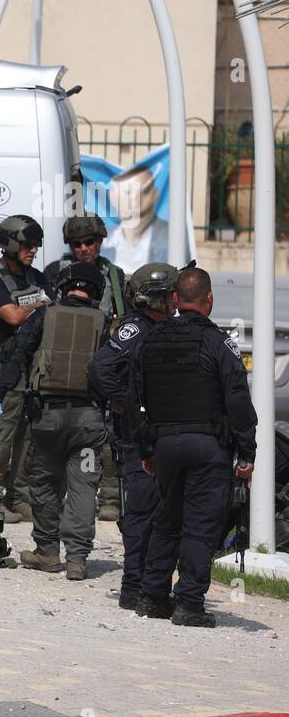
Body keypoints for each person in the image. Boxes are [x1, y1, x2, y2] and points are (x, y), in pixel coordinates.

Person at [132, 266, 257, 627]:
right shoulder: (219, 343)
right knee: (200, 526)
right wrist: (246, 453)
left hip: (165, 446)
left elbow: (136, 400)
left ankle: (152, 596)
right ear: (209, 299)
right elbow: (238, 402)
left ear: (174, 300)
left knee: (166, 521)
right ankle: (188, 604)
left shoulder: (149, 341)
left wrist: (146, 451)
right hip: (208, 448)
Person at [0, 261, 111, 579]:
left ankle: (48, 552)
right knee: (83, 488)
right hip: (90, 422)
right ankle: (78, 559)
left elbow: (18, 357)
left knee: (45, 486)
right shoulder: (104, 322)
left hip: (48, 420)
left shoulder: (44, 316)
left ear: (63, 285)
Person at [87, 263, 179, 609]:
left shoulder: (166, 328)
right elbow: (99, 368)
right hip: (137, 440)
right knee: (141, 514)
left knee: (161, 514)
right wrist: (129, 401)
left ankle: (153, 586)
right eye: (169, 295)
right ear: (152, 298)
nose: (174, 300)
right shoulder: (135, 329)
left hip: (162, 436)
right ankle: (134, 588)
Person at [44, 213, 128, 523]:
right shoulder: (55, 272)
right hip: (63, 364)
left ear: (100, 241)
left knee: (107, 433)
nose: (83, 249)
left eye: (88, 242)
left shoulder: (115, 277)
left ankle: (108, 497)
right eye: (76, 243)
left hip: (101, 364)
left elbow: (125, 318)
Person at [0, 214, 49, 523]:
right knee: (1, 432)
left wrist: (34, 307)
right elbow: (13, 318)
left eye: (36, 245)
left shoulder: (37, 278)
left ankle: (20, 497)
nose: (33, 250)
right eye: (27, 245)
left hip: (33, 365)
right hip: (3, 366)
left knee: (29, 433)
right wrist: (37, 307)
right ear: (10, 244)